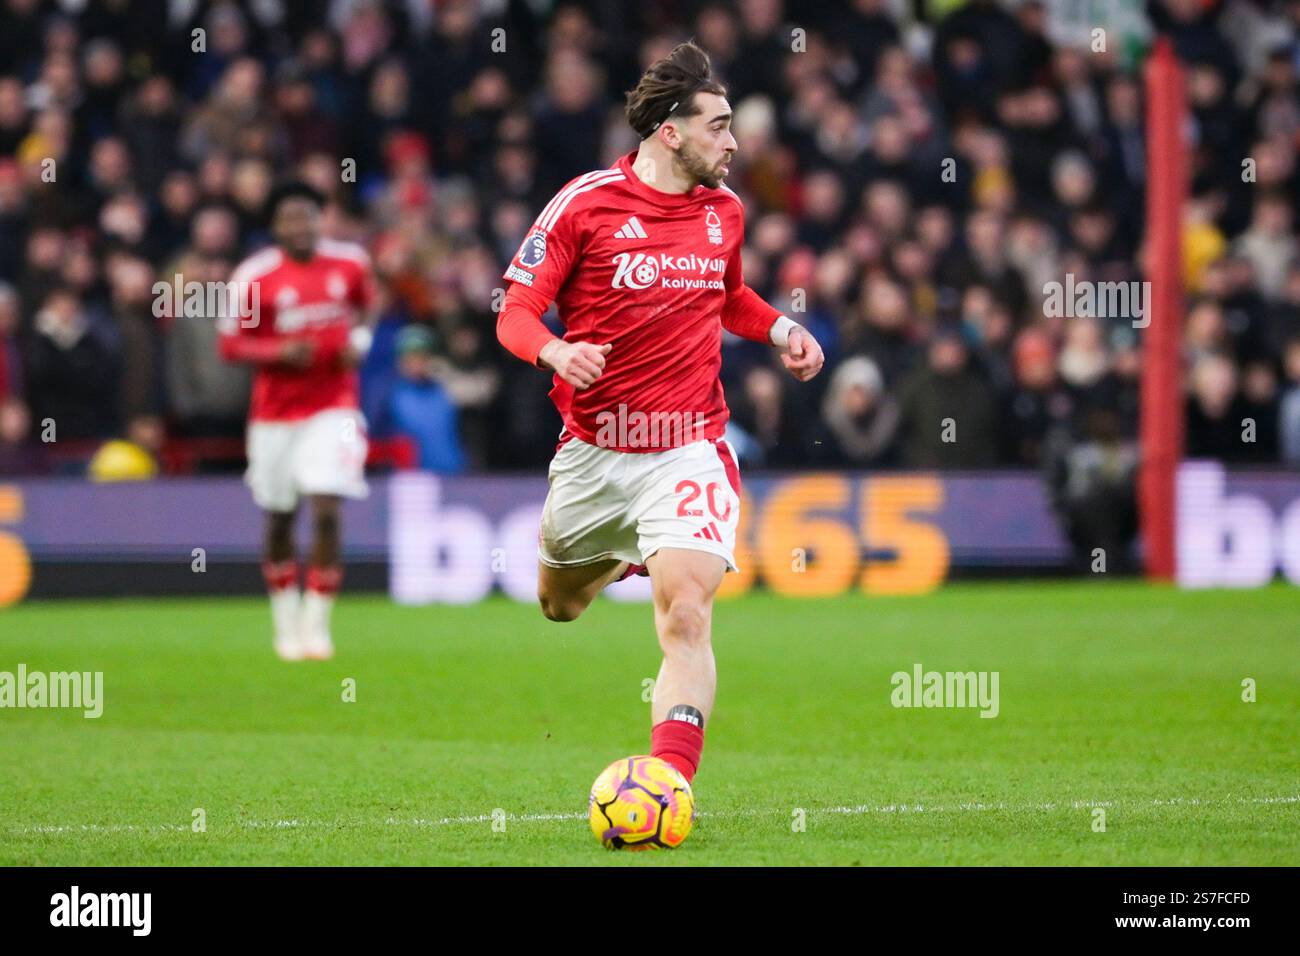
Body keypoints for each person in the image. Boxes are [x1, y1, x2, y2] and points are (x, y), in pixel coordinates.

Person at [495, 41, 824, 788]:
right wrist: (553, 352)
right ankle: (621, 553)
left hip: (690, 445)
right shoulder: (584, 203)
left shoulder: (725, 212)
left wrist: (780, 329)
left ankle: (668, 783)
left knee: (685, 615)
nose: (734, 142)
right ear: (670, 132)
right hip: (595, 450)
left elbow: (728, 294)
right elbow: (514, 312)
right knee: (558, 606)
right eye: (719, 126)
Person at [218, 181, 377, 661]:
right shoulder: (253, 276)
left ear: (319, 219)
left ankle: (317, 623)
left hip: (334, 405)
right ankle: (285, 620)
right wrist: (277, 350)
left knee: (327, 506)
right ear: (274, 227)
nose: (300, 227)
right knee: (280, 515)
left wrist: (362, 342)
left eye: (307, 216)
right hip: (274, 415)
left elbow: (367, 307)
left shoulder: (350, 263)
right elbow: (229, 344)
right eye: (289, 219)